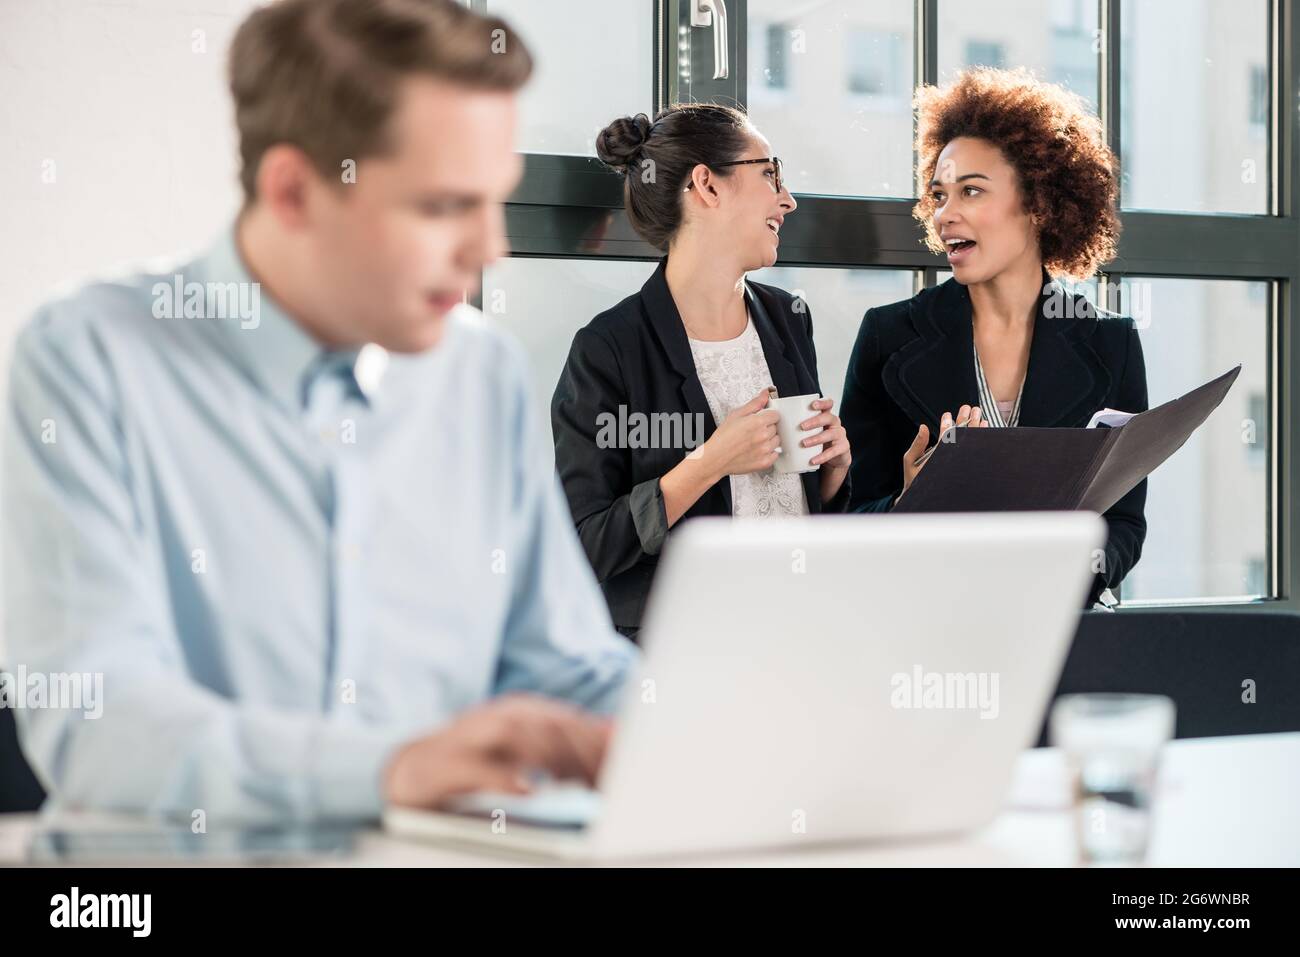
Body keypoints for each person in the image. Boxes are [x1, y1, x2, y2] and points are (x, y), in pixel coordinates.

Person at [1, 0, 635, 824]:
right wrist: (388, 768)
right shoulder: (88, 359)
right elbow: (98, 720)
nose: (491, 249)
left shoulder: (483, 373)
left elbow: (569, 668)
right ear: (295, 191)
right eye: (444, 206)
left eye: (495, 202)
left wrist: (716, 731)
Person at [840, 68, 1146, 606]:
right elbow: (846, 516)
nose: (945, 215)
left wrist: (1063, 565)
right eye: (938, 195)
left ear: (1038, 203)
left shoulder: (1110, 342)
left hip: (1060, 630)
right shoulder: (887, 335)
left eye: (971, 191)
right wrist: (910, 502)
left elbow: (1123, 525)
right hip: (924, 629)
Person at [552, 104, 852, 639]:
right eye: (769, 173)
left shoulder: (788, 320)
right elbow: (584, 546)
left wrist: (832, 474)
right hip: (684, 660)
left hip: (800, 636)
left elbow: (800, 507)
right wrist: (709, 462)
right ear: (707, 187)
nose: (788, 200)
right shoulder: (608, 349)